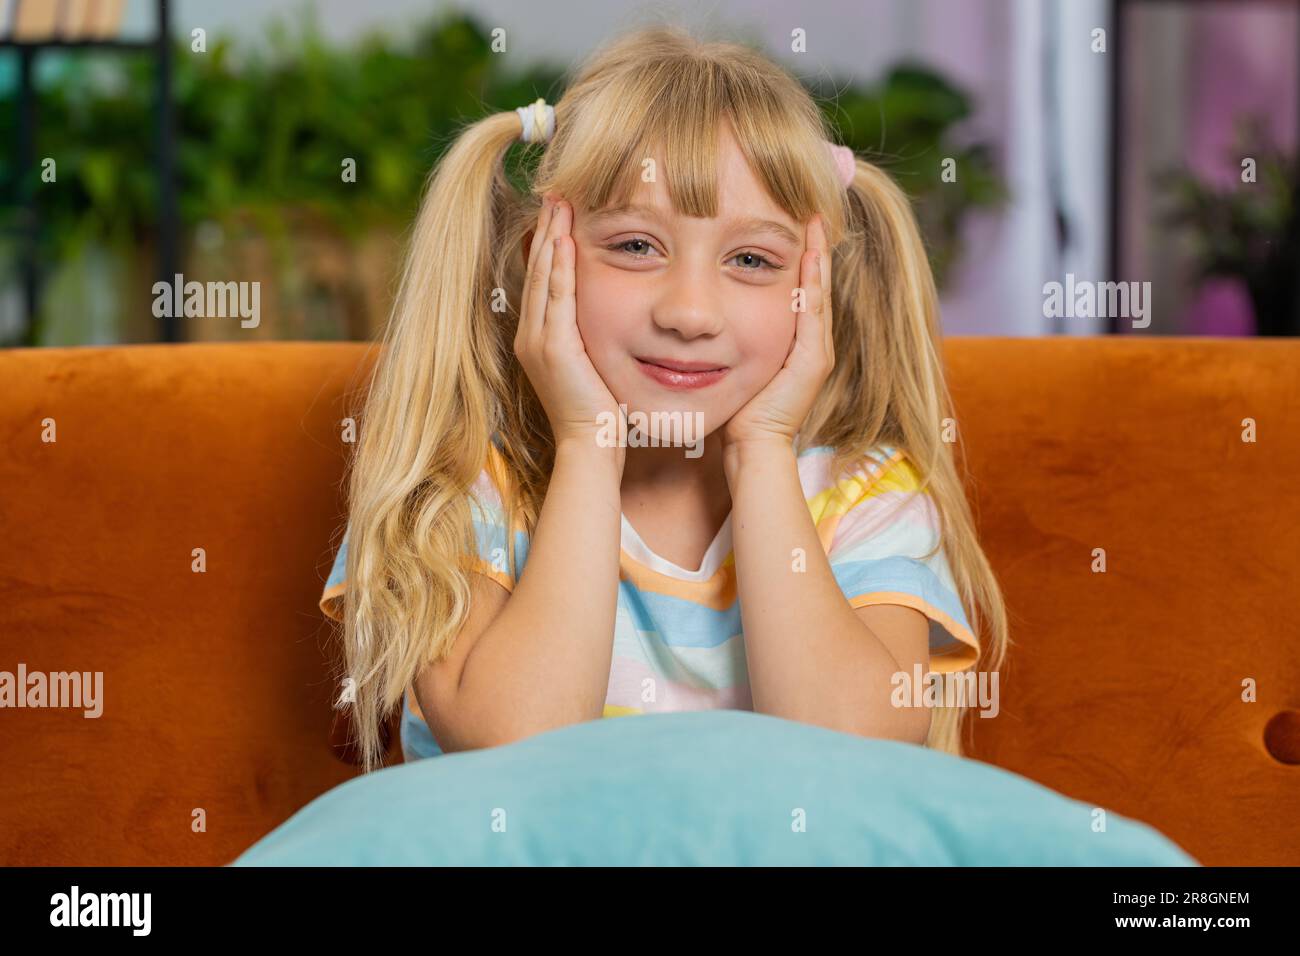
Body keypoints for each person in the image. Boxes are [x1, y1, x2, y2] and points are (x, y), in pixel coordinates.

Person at [320, 25, 1009, 771]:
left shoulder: (864, 492)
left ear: (815, 293)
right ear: (544, 262)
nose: (689, 312)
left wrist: (762, 451)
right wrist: (587, 445)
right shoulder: (465, 483)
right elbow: (512, 750)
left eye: (751, 260)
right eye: (636, 246)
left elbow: (852, 750)